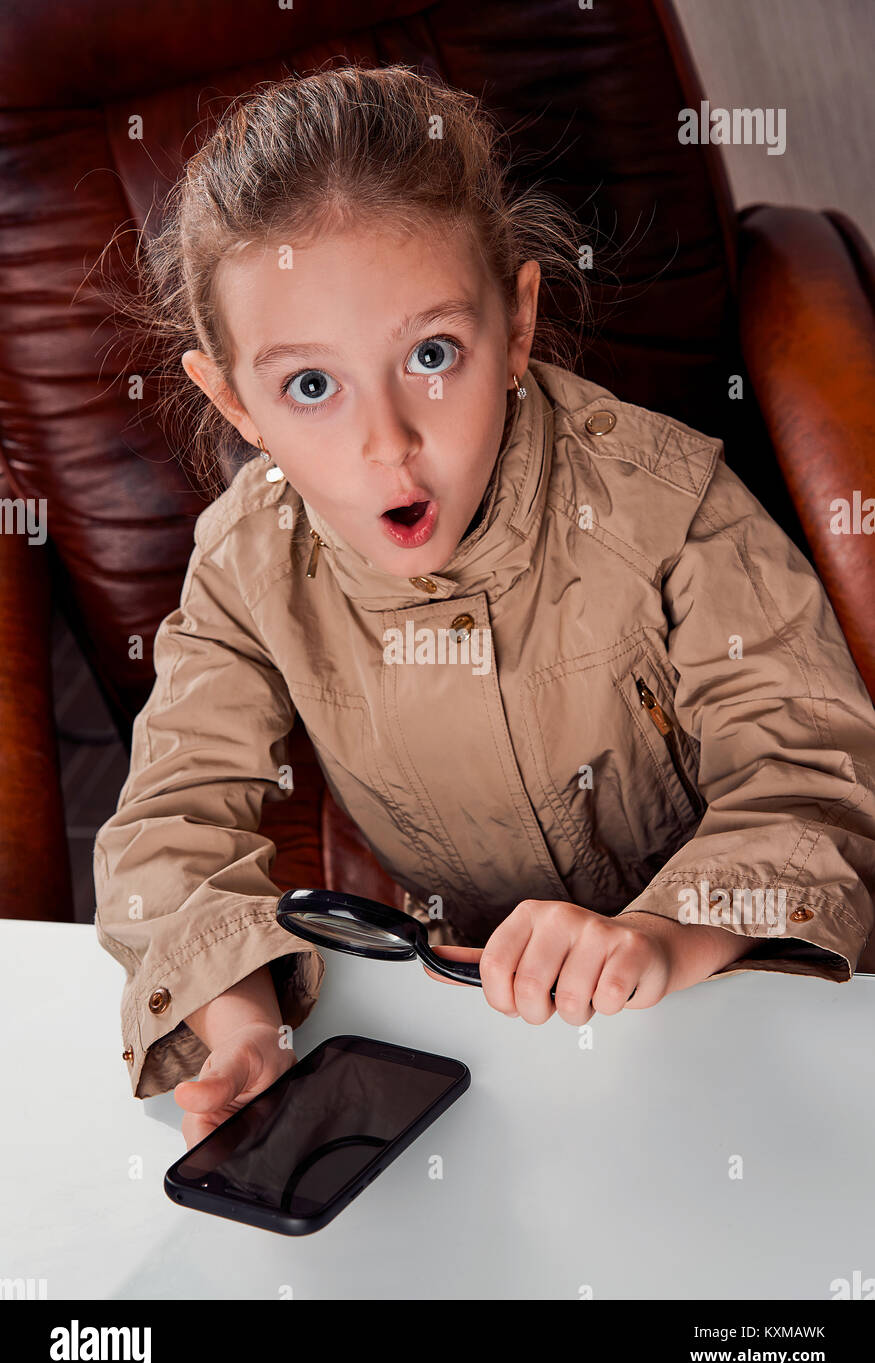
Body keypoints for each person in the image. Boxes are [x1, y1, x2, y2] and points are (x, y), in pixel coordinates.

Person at [93, 63, 875, 1151]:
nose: (387, 444)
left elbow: (813, 779)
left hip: (738, 995)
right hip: (497, 1021)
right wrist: (237, 1016)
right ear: (236, 404)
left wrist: (657, 934)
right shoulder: (245, 557)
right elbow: (167, 823)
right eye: (309, 386)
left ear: (514, 327)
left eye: (429, 355)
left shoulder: (667, 505)